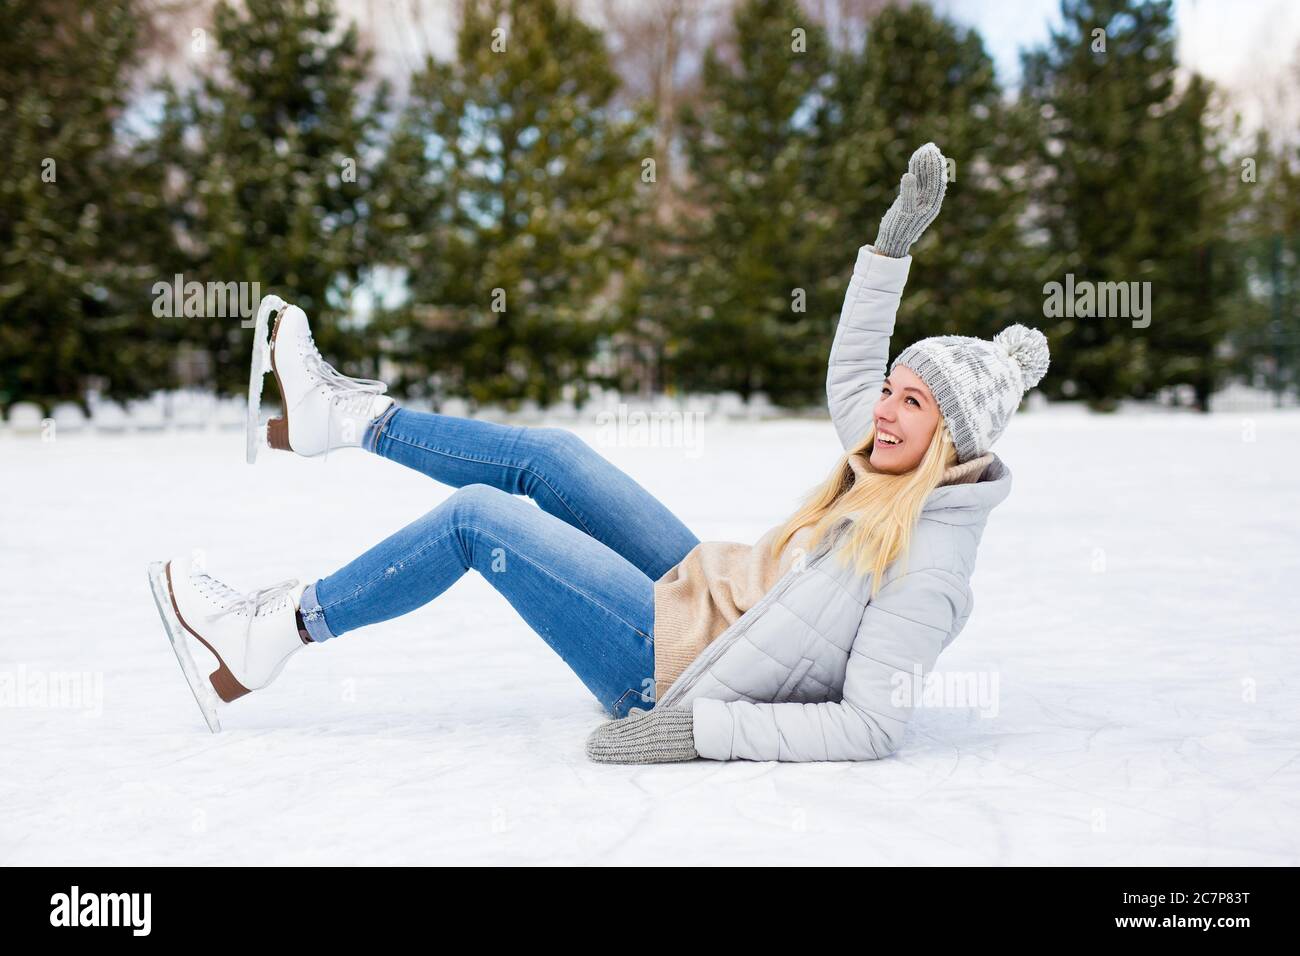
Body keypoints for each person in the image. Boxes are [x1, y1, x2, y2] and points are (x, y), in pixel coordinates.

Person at [148, 142, 1049, 763]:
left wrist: (693, 733)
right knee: (554, 458)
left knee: (478, 520)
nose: (881, 411)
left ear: (954, 443)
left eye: (911, 401)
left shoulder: (930, 566)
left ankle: (276, 632)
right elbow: (855, 369)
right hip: (706, 591)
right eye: (892, 388)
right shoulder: (891, 455)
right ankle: (341, 421)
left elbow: (869, 727)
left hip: (673, 670)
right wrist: (891, 250)